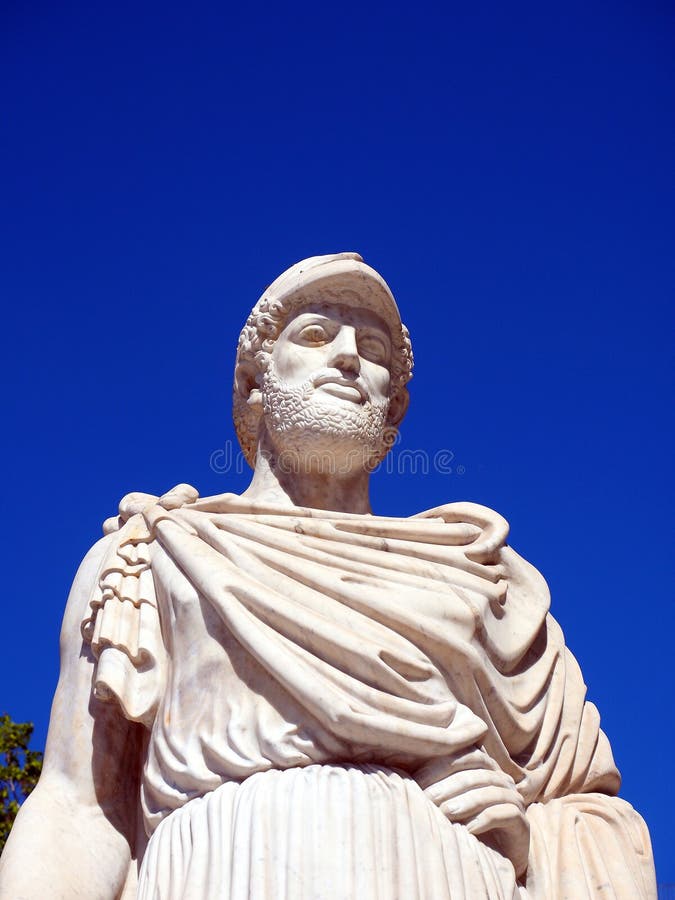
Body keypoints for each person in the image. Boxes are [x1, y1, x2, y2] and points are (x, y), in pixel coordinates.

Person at [0, 253, 656, 899]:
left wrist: (531, 839)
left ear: (393, 412)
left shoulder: (485, 580)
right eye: (314, 335)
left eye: (371, 348)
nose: (347, 356)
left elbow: (586, 808)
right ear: (256, 385)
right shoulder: (157, 551)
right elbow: (76, 810)